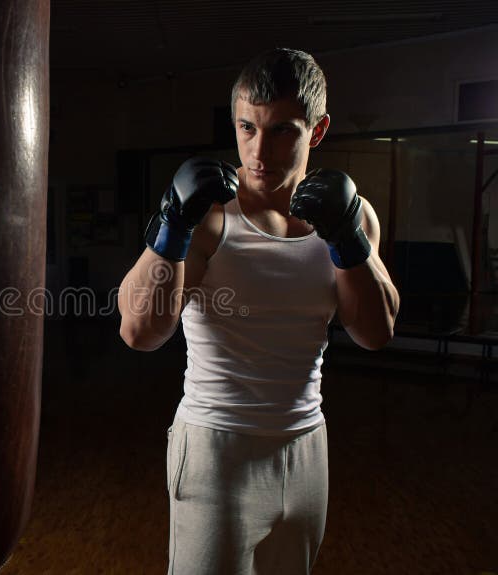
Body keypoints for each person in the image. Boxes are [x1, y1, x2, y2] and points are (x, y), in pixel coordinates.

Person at [117, 48, 400, 575]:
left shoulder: (353, 215)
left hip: (307, 448)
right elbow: (139, 332)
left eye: (282, 132)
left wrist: (349, 241)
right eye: (247, 128)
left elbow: (375, 332)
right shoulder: (209, 218)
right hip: (216, 451)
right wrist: (171, 227)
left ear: (317, 131)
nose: (258, 151)